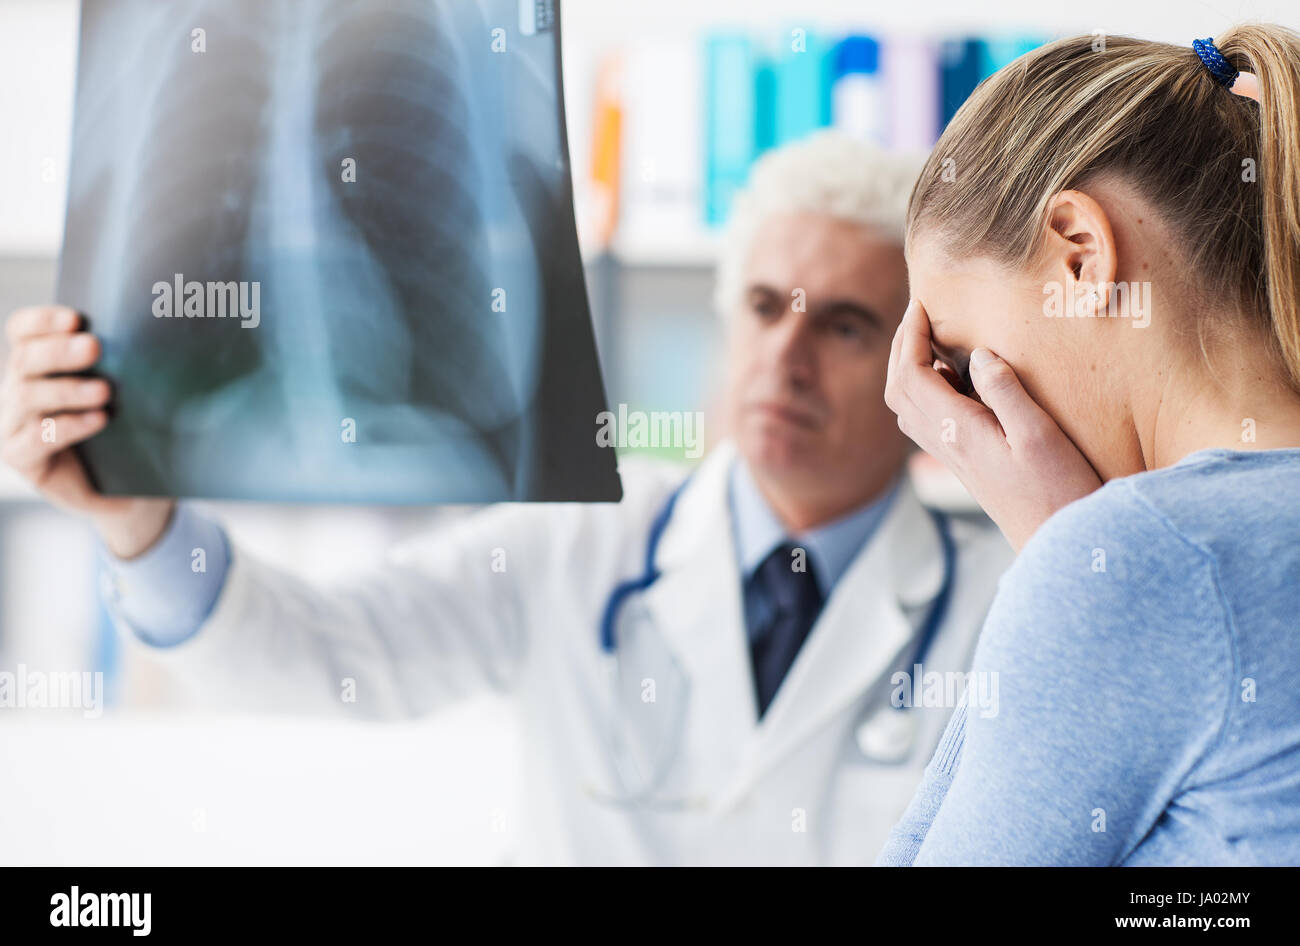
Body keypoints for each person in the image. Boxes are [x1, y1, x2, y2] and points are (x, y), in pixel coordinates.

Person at [0, 131, 1013, 865]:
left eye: (840, 325)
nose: (782, 359)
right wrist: (136, 522)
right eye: (761, 308)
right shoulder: (577, 541)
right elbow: (324, 654)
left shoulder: (999, 610)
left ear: (920, 372)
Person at [876, 26, 1300, 865]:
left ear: (1080, 256)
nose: (950, 415)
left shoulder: (1145, 560)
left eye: (959, 362)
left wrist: (1063, 551)